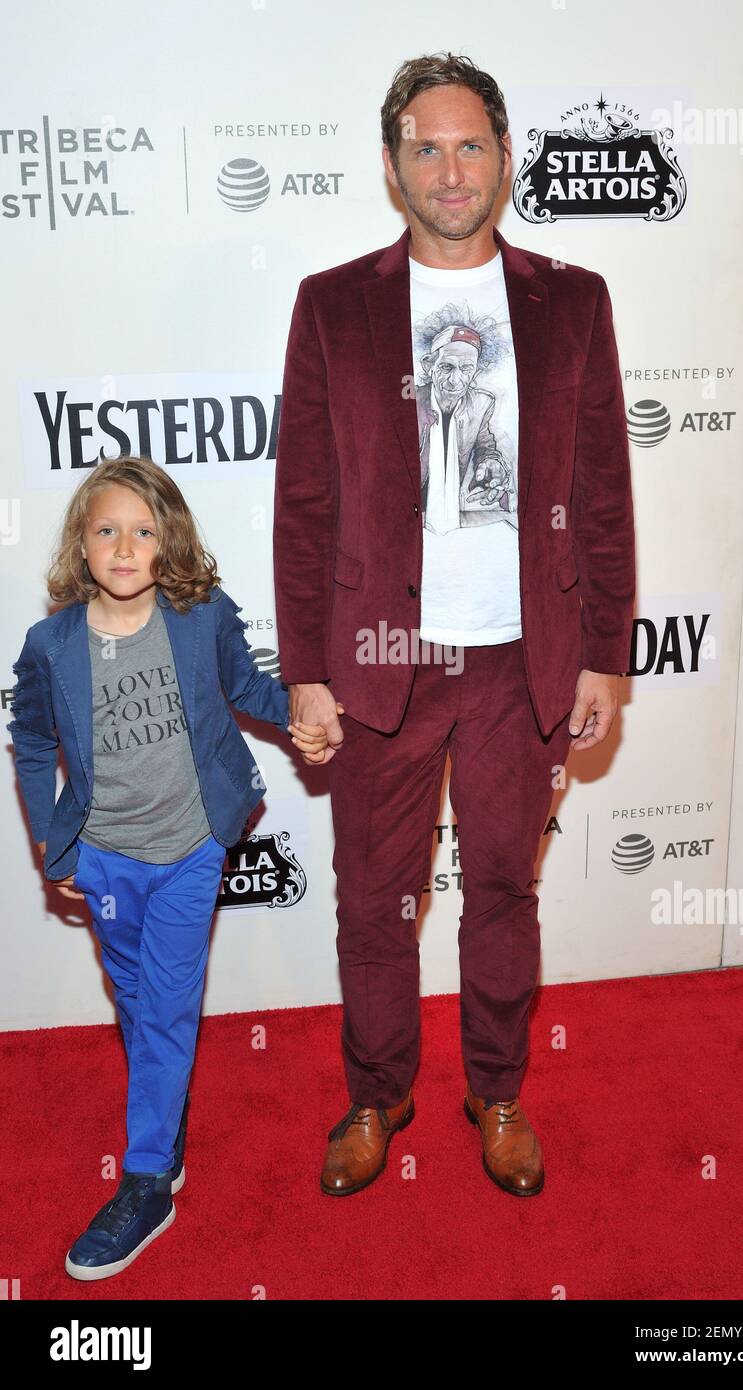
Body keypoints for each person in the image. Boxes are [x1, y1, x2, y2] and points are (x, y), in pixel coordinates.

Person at [273, 53, 636, 1197]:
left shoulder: (572, 299)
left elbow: (605, 486)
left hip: (518, 659)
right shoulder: (333, 304)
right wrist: (309, 669)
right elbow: (306, 501)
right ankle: (377, 1096)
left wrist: (603, 652)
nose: (448, 166)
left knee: (502, 889)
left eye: (468, 142)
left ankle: (499, 1088)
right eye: (423, 146)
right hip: (385, 663)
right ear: (390, 168)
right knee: (374, 900)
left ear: (505, 156)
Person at [7, 454, 341, 1278]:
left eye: (144, 531)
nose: (125, 547)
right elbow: (32, 737)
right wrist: (54, 841)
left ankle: (149, 1178)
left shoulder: (199, 618)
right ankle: (167, 1115)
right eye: (106, 530)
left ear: (171, 541)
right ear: (80, 546)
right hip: (107, 862)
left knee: (162, 1012)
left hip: (191, 849)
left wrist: (305, 709)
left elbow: (247, 690)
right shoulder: (51, 645)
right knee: (138, 1001)